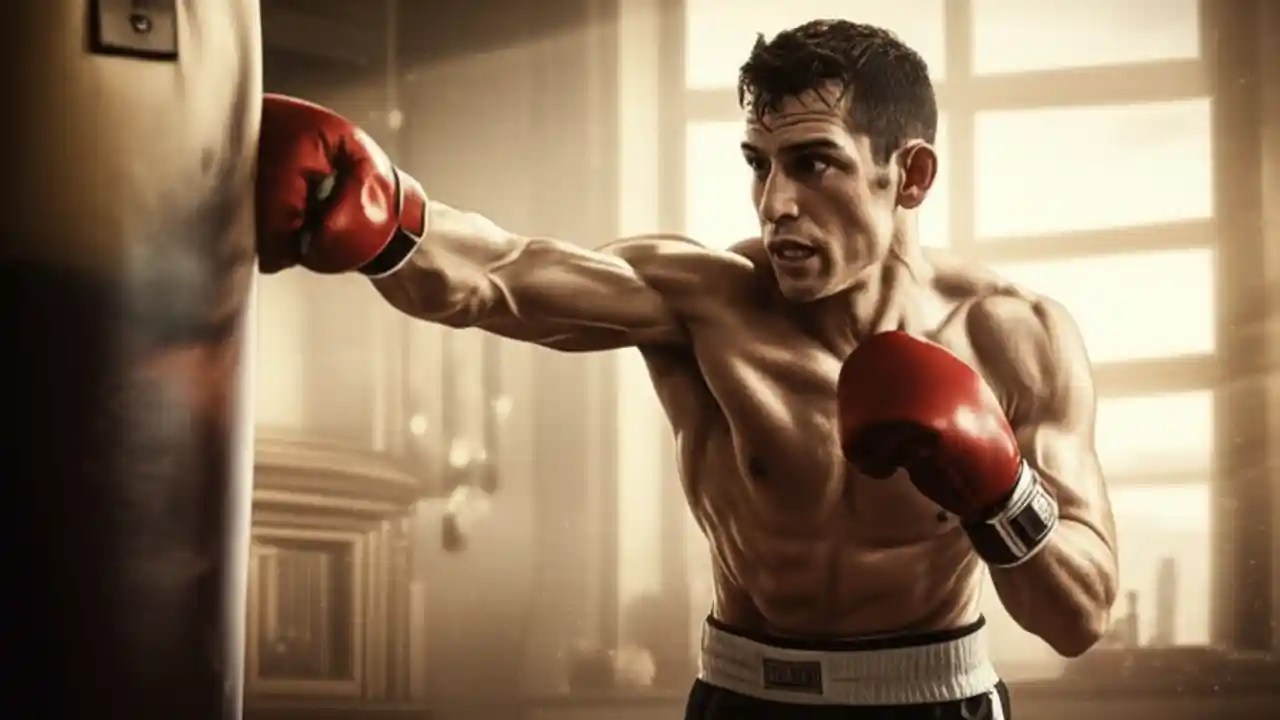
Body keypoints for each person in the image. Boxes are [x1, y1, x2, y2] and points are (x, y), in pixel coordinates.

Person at [255, 19, 1118, 720]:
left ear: (911, 175)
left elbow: (1078, 617)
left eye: (814, 162)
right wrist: (383, 214)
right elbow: (499, 276)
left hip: (935, 704)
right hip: (744, 699)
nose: (776, 201)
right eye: (759, 163)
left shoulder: (1015, 337)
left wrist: (999, 488)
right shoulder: (704, 302)